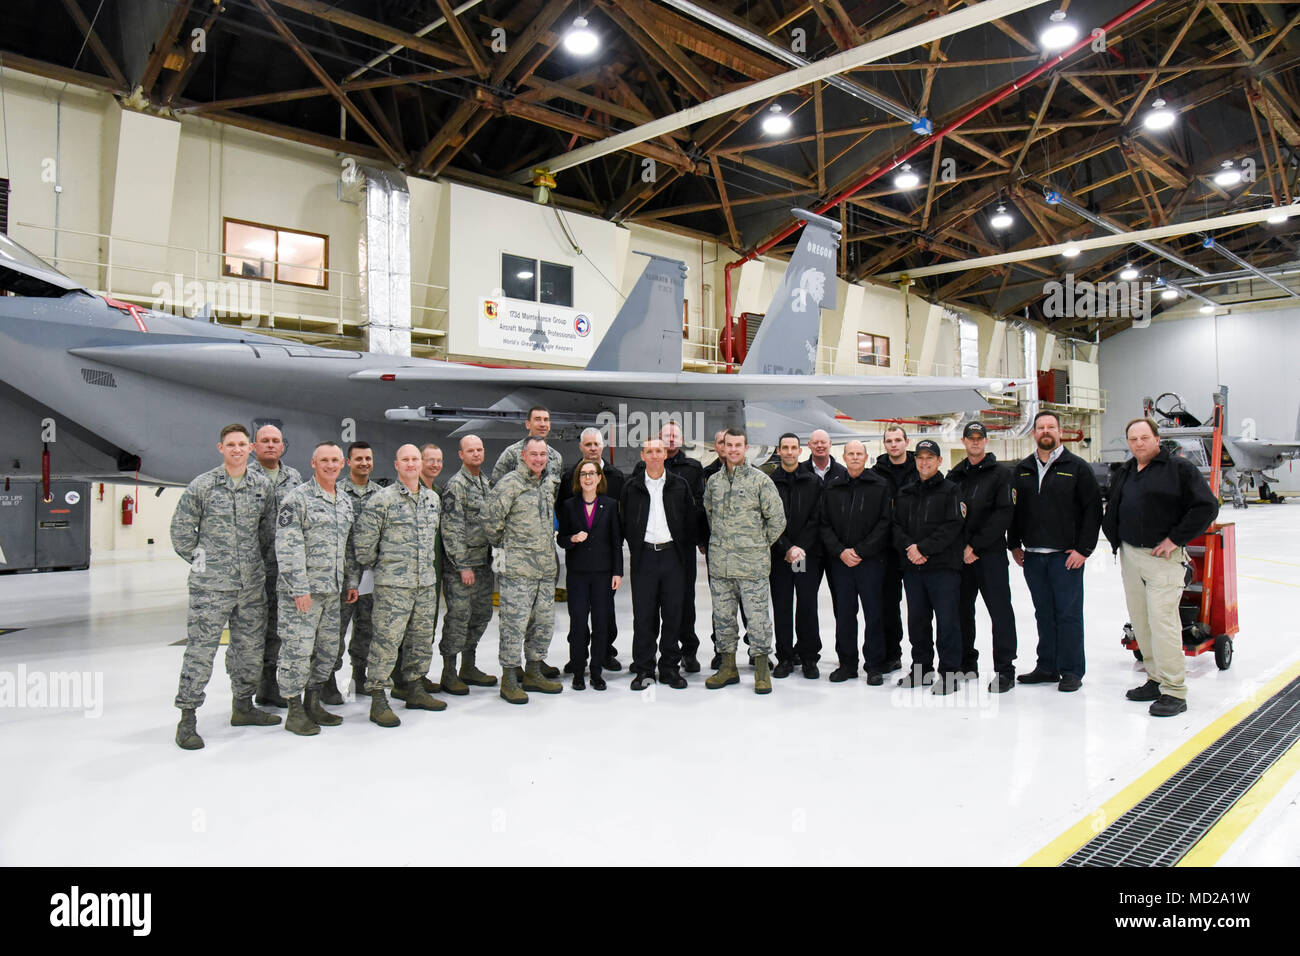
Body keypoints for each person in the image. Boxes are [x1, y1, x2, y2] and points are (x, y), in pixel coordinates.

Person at [170, 424, 279, 750]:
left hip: (250, 585)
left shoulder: (261, 486)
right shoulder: (202, 486)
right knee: (201, 651)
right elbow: (181, 532)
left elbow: (267, 532)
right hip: (211, 588)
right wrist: (205, 567)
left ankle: (243, 706)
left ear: (250, 449)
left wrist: (251, 564)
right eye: (230, 444)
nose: (236, 449)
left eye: (241, 444)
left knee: (248, 649)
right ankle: (187, 718)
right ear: (221, 448)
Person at [1103, 417, 1218, 717]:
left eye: (1144, 437)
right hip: (1130, 555)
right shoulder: (1126, 471)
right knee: (1141, 622)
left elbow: (1207, 506)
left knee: (1163, 622)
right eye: (1133, 439)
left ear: (1156, 438)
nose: (1139, 443)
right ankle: (1155, 678)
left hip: (1163, 559)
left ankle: (1175, 690)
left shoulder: (1179, 469)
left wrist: (1174, 539)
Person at [350, 444, 446, 727]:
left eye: (415, 459)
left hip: (425, 584)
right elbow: (364, 546)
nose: (411, 464)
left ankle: (414, 687)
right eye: (405, 459)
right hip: (394, 586)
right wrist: (387, 566)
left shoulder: (432, 499)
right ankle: (378, 696)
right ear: (396, 464)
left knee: (420, 640)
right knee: (386, 642)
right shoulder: (382, 500)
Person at [1008, 411, 1103, 692]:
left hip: (1066, 557)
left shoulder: (1077, 467)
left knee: (1068, 614)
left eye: (1051, 427)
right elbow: (1014, 509)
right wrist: (1013, 543)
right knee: (1044, 613)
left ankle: (1071, 670)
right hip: (1034, 557)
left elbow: (1093, 511)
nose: (1045, 431)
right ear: (1034, 433)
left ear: (1060, 432)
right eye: (1040, 427)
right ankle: (1047, 666)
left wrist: (1084, 549)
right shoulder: (1023, 469)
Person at [274, 442, 359, 735]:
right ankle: (294, 710)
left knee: (326, 651)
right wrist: (299, 587)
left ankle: (313, 702)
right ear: (314, 463)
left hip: (332, 592)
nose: (331, 465)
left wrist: (350, 582)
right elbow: (287, 547)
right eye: (325, 460)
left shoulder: (344, 500)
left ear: (342, 464)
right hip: (303, 594)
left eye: (335, 460)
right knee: (297, 651)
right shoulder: (296, 500)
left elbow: (348, 547)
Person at [703, 428, 785, 694]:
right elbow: (709, 514)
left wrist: (758, 546)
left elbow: (777, 520)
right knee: (723, 619)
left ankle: (762, 670)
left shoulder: (760, 481)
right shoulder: (714, 482)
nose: (734, 449)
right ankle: (728, 667)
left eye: (739, 445)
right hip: (721, 566)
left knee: (758, 619)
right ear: (723, 448)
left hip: (752, 566)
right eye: (729, 445)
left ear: (746, 447)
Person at [483, 437, 564, 703]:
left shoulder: (547, 484)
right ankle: (508, 679)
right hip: (517, 571)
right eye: (534, 454)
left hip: (544, 569)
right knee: (513, 625)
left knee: (543, 624)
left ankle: (533, 672)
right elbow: (491, 522)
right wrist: (508, 547)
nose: (539, 459)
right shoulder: (510, 484)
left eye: (542, 455)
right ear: (523, 455)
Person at [947, 422, 1018, 694]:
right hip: (960, 557)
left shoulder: (1001, 475)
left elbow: (1003, 515)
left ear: (986, 441)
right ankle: (967, 662)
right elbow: (950, 516)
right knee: (962, 612)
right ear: (964, 441)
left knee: (1000, 613)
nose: (975, 442)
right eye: (970, 438)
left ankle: (1005, 670)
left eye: (980, 438)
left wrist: (974, 547)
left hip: (989, 556)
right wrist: (961, 548)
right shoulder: (955, 476)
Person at [621, 438, 696, 689]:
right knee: (644, 616)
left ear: (666, 454)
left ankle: (669, 668)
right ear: (643, 455)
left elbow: (689, 521)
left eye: (659, 451)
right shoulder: (631, 487)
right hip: (644, 558)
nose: (654, 455)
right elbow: (624, 523)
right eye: (649, 451)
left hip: (672, 557)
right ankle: (644, 669)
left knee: (673, 615)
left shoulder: (679, 485)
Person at [893, 439, 966, 694]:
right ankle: (921, 670)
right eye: (920, 458)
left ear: (939, 461)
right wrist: (911, 549)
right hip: (914, 570)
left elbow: (952, 527)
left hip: (943, 569)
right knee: (918, 623)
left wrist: (923, 549)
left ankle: (950, 674)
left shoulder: (951, 490)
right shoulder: (905, 492)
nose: (924, 462)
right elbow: (896, 526)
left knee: (947, 623)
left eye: (930, 458)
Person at [820, 440, 892, 684]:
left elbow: (885, 523)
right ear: (844, 456)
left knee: (874, 614)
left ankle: (874, 666)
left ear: (866, 456)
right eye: (850, 454)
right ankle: (847, 664)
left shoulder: (880, 486)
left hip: (870, 562)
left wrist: (861, 551)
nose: (854, 457)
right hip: (841, 563)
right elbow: (824, 524)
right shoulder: (832, 487)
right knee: (845, 614)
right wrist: (841, 551)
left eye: (858, 453)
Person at [557, 426, 627, 673]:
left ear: (602, 446)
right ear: (581, 448)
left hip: (606, 559)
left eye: (596, 444)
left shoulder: (617, 478)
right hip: (579, 561)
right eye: (588, 445)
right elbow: (563, 514)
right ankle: (578, 656)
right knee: (578, 614)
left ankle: (606, 652)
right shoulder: (569, 477)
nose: (593, 449)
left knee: (604, 612)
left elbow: (622, 517)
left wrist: (617, 565)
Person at [247, 424, 303, 709]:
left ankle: (275, 685)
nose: (270, 445)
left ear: (283, 446)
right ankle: (256, 687)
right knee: (256, 629)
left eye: (276, 441)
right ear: (254, 446)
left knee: (283, 627)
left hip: (285, 567)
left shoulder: (293, 477)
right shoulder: (245, 476)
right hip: (255, 568)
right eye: (264, 441)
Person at [437, 435, 498, 692]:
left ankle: (468, 665)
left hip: (484, 563)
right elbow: (451, 529)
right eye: (470, 450)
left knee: (482, 614)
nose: (476, 454)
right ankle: (449, 672)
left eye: (479, 449)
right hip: (462, 567)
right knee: (459, 617)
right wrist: (462, 566)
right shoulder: (456, 486)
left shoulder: (486, 483)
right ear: (460, 455)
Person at [769, 433, 824, 679]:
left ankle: (809, 658)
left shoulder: (813, 482)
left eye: (793, 448)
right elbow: (768, 519)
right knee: (782, 607)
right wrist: (786, 547)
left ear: (800, 451)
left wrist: (800, 547)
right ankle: (784, 658)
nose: (789, 452)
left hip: (804, 557)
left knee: (807, 606)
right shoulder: (769, 482)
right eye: (785, 448)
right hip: (780, 557)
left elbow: (817, 518)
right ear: (778, 451)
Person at [660, 420, 707, 672]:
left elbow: (700, 505)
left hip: (684, 547)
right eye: (666, 435)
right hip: (657, 545)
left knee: (686, 601)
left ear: (681, 439)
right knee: (658, 602)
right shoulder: (650, 464)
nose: (670, 440)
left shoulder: (693, 468)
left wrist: (698, 538)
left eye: (674, 435)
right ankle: (663, 653)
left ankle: (689, 651)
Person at [334, 441, 381, 695]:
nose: (364, 463)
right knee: (335, 630)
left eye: (368, 458)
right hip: (341, 574)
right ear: (348, 462)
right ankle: (328, 681)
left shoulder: (380, 494)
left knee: (367, 627)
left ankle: (359, 675)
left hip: (371, 573)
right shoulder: (336, 491)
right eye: (359, 458)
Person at [873, 424, 918, 672]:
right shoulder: (876, 473)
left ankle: (922, 658)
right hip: (887, 550)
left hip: (914, 548)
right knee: (888, 606)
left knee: (919, 608)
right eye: (889, 440)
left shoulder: (920, 468)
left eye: (898, 440)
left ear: (906, 442)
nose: (894, 444)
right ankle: (892, 654)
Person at [490, 406, 564, 484]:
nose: (542, 424)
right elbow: (496, 487)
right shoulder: (511, 454)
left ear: (549, 425)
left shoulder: (556, 458)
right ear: (528, 424)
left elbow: (557, 493)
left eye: (546, 420)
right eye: (537, 419)